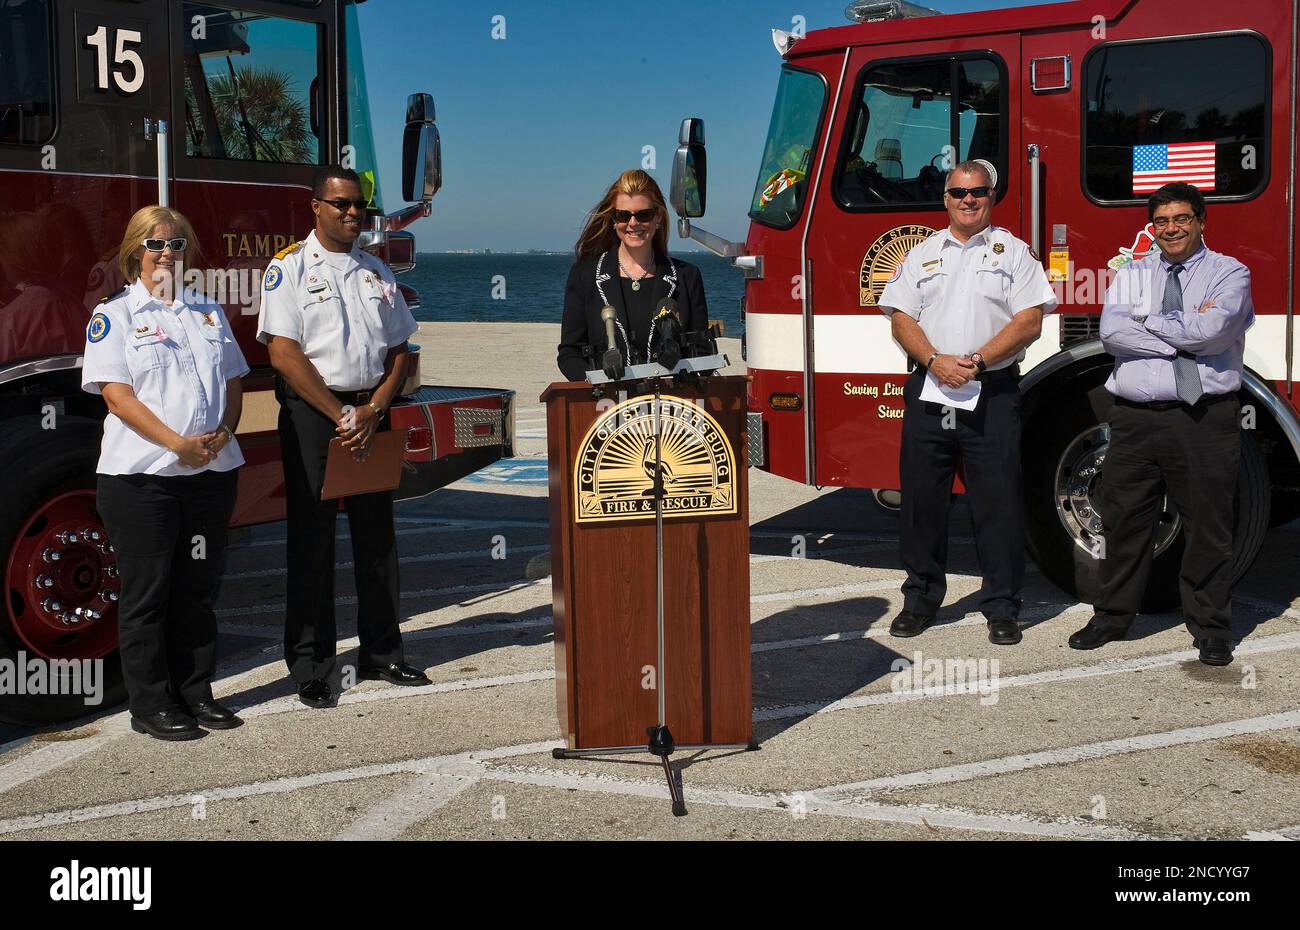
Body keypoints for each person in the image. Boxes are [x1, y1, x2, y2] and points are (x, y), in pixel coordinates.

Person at [257, 165, 429, 708]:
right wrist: (339, 413)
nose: (352, 213)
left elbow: (400, 348)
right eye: (340, 204)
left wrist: (374, 407)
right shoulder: (287, 269)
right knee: (313, 542)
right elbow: (282, 353)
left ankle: (382, 654)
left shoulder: (376, 272)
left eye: (359, 205)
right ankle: (312, 667)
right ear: (316, 207)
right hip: (316, 414)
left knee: (377, 537)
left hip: (370, 412)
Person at [1069, 182, 1254, 666]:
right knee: (1124, 520)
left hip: (1202, 418)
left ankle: (1211, 627)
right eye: (1162, 221)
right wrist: (1182, 336)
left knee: (1208, 527)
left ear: (1200, 221)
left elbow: (1215, 332)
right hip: (1132, 419)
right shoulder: (1132, 273)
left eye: (1182, 219)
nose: (1171, 228)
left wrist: (1149, 323)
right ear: (1153, 227)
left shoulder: (1229, 272)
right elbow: (1112, 333)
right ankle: (1111, 616)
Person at [81, 206, 248, 740]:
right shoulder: (116, 315)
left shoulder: (206, 311)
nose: (167, 255)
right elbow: (116, 394)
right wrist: (177, 444)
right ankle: (151, 704)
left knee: (198, 589)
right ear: (135, 251)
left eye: (177, 245)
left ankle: (196, 693)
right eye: (156, 245)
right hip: (142, 479)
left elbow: (235, 380)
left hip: (211, 472)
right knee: (147, 593)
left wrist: (222, 432)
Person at [879, 161, 1058, 646]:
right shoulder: (921, 254)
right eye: (958, 192)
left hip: (992, 391)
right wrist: (936, 360)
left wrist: (975, 361)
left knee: (997, 502)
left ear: (991, 196)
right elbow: (900, 319)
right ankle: (919, 599)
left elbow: (1028, 322)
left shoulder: (1016, 253)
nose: (968, 199)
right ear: (945, 198)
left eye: (977, 191)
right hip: (929, 387)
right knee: (921, 501)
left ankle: (1002, 605)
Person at [557, 169, 709, 381]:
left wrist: (679, 366)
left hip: (670, 408)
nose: (633, 223)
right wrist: (599, 380)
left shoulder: (687, 277)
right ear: (613, 220)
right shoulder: (585, 275)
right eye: (623, 215)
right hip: (606, 407)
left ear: (657, 217)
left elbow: (704, 354)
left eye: (643, 215)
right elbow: (569, 354)